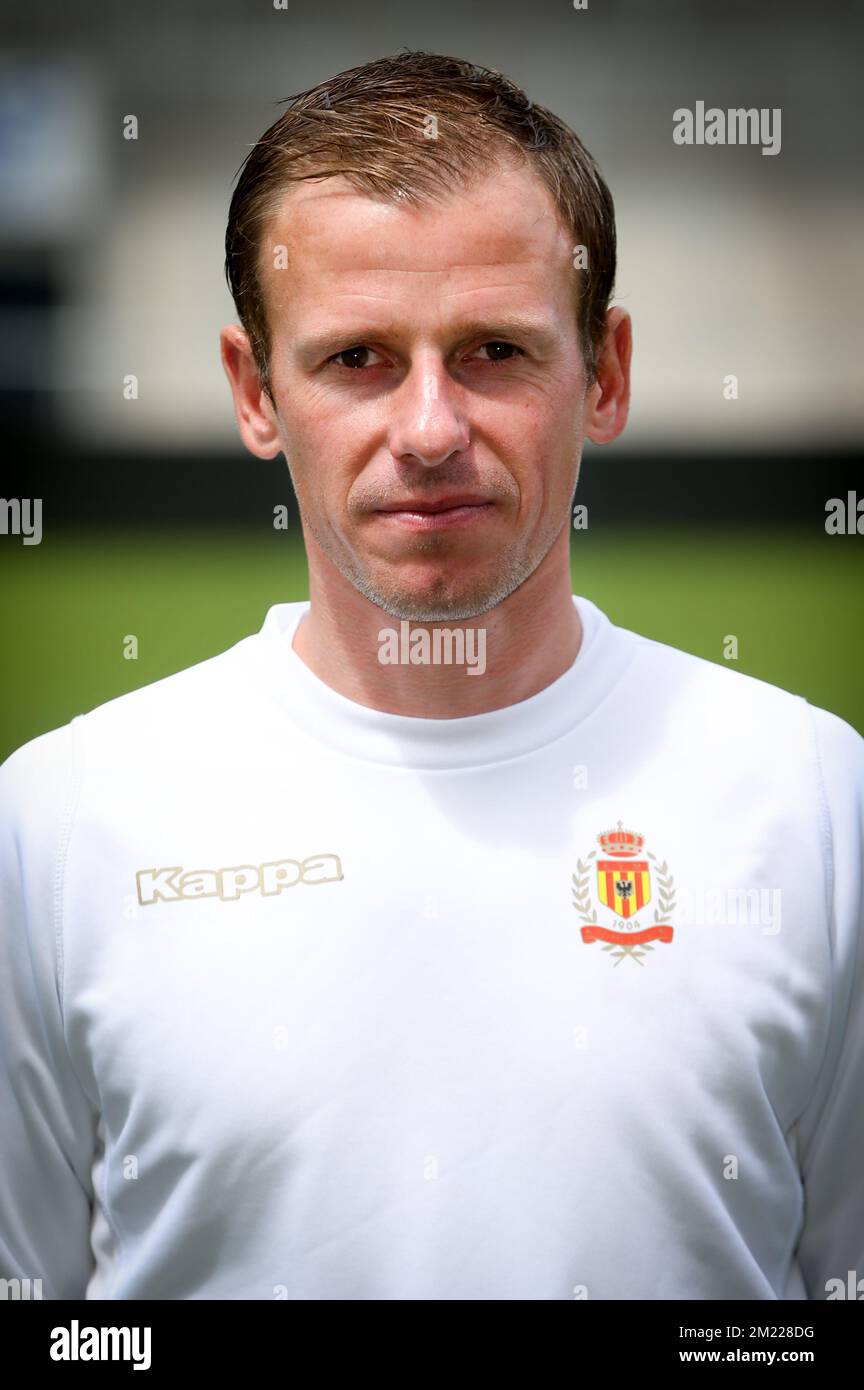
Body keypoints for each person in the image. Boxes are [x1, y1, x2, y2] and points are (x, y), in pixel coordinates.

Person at [1, 50, 862, 1302]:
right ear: (255, 392)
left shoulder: (820, 801)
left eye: (495, 352)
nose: (427, 430)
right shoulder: (57, 825)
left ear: (605, 373)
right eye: (356, 359)